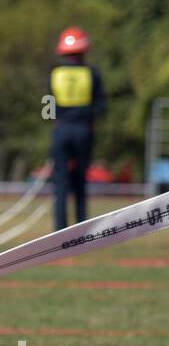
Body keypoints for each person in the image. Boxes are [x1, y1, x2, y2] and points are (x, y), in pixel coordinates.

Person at [49, 27, 106, 230]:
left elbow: (47, 103)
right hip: (83, 130)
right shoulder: (92, 73)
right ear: (84, 50)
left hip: (61, 129)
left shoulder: (55, 72)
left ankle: (59, 230)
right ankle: (81, 229)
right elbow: (101, 105)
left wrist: (55, 121)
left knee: (61, 183)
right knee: (80, 181)